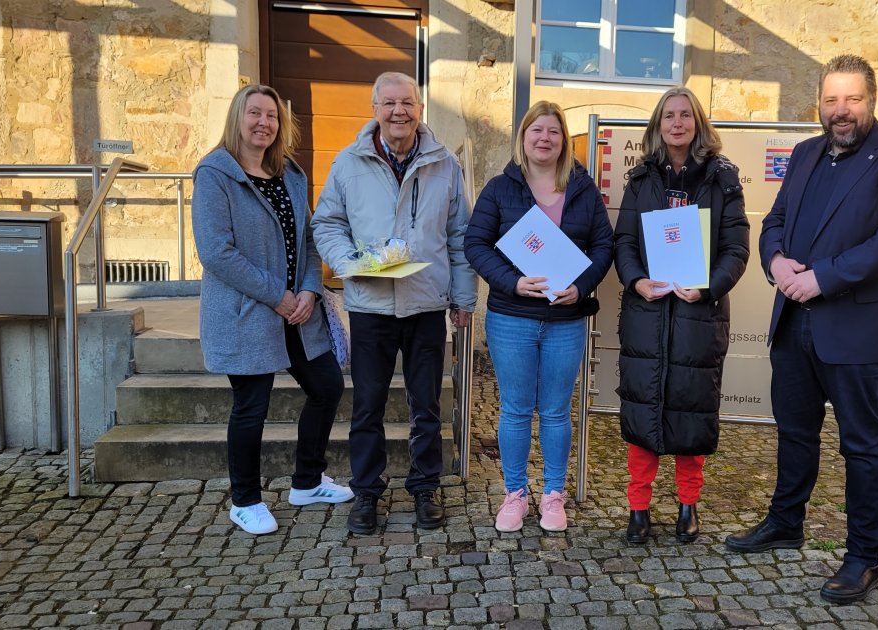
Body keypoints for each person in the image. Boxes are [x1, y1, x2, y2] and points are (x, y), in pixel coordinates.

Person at [724, 54, 878, 605]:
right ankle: (786, 522)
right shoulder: (804, 154)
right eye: (831, 100)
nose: (841, 111)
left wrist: (821, 278)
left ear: (872, 100)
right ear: (819, 104)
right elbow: (773, 223)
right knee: (794, 433)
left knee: (862, 447)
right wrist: (776, 264)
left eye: (852, 100)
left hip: (856, 327)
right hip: (795, 322)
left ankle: (864, 557)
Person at [312, 71, 477, 535]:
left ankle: (425, 487)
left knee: (426, 405)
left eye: (407, 102)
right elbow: (326, 224)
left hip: (426, 305)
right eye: (389, 103)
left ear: (420, 109)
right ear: (375, 109)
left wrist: (463, 299)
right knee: (367, 406)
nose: (399, 111)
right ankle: (366, 493)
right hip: (370, 306)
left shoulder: (445, 164)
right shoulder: (349, 163)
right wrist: (347, 262)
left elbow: (460, 236)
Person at [192, 84, 352, 536]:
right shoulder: (214, 173)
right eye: (255, 113)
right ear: (237, 119)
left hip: (297, 310)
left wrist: (307, 290)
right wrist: (276, 295)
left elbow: (306, 238)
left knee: (326, 386)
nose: (264, 122)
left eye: (272, 116)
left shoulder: (289, 173)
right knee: (251, 406)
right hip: (248, 311)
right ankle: (244, 500)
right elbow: (216, 252)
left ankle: (306, 481)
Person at [465, 101, 613, 533]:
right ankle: (514, 494)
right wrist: (513, 282)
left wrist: (581, 286)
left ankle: (552, 495)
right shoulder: (500, 188)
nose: (544, 138)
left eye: (553, 131)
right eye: (536, 131)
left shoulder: (582, 189)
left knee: (554, 410)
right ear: (523, 138)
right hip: (512, 316)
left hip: (566, 320)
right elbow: (477, 245)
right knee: (513, 409)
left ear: (563, 139)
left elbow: (604, 247)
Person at [613, 87, 750, 545]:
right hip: (648, 311)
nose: (676, 123)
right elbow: (625, 243)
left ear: (698, 122)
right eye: (668, 115)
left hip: (698, 313)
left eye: (685, 115)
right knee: (642, 408)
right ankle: (638, 509)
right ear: (657, 124)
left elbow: (736, 249)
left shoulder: (722, 179)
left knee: (693, 410)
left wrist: (709, 286)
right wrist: (635, 281)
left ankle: (689, 506)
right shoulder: (641, 179)